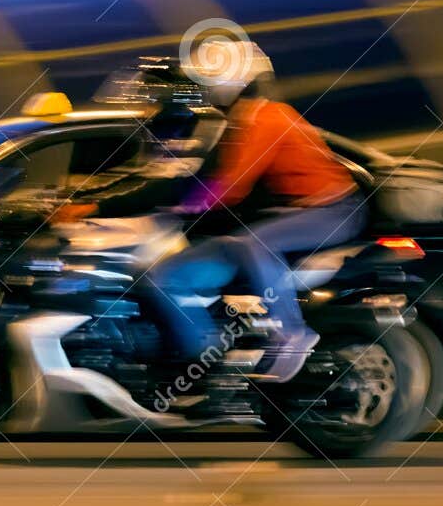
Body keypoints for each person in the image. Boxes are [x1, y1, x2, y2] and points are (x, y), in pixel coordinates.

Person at [144, 45, 364, 382]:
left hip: (335, 211)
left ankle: (292, 332)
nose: (202, 93)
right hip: (300, 212)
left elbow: (232, 186)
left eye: (205, 83)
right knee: (168, 275)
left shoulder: (265, 118)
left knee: (253, 243)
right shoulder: (239, 121)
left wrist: (184, 205)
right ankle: (211, 364)